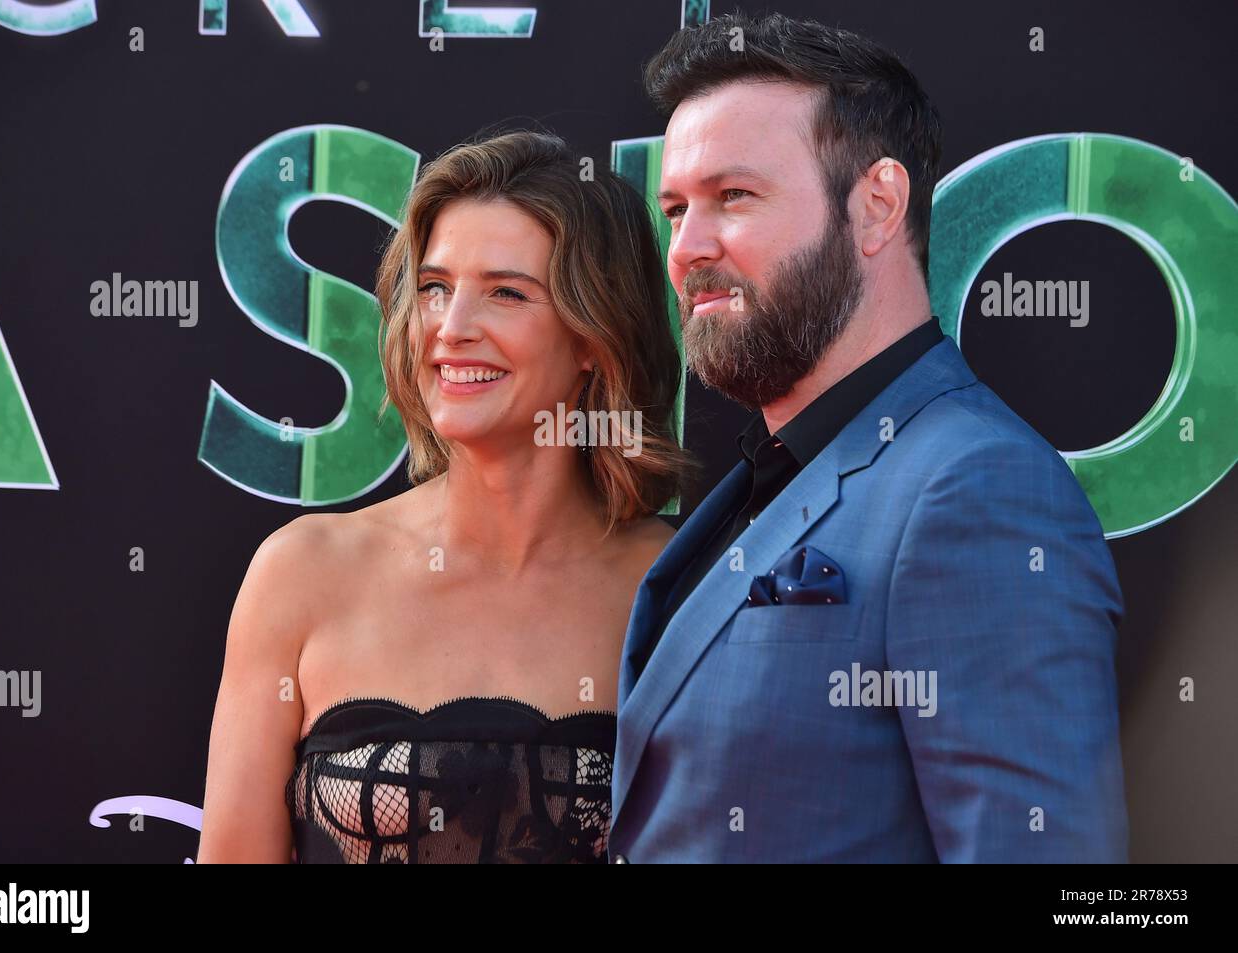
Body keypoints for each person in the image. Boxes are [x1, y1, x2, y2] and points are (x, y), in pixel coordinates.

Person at [608, 13, 1128, 862]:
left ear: (877, 205)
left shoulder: (979, 489)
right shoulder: (773, 469)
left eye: (734, 196)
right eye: (675, 208)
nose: (687, 248)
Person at [197, 129, 689, 863]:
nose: (451, 330)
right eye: (434, 288)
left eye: (505, 293)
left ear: (595, 336)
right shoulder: (301, 573)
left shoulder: (679, 589)